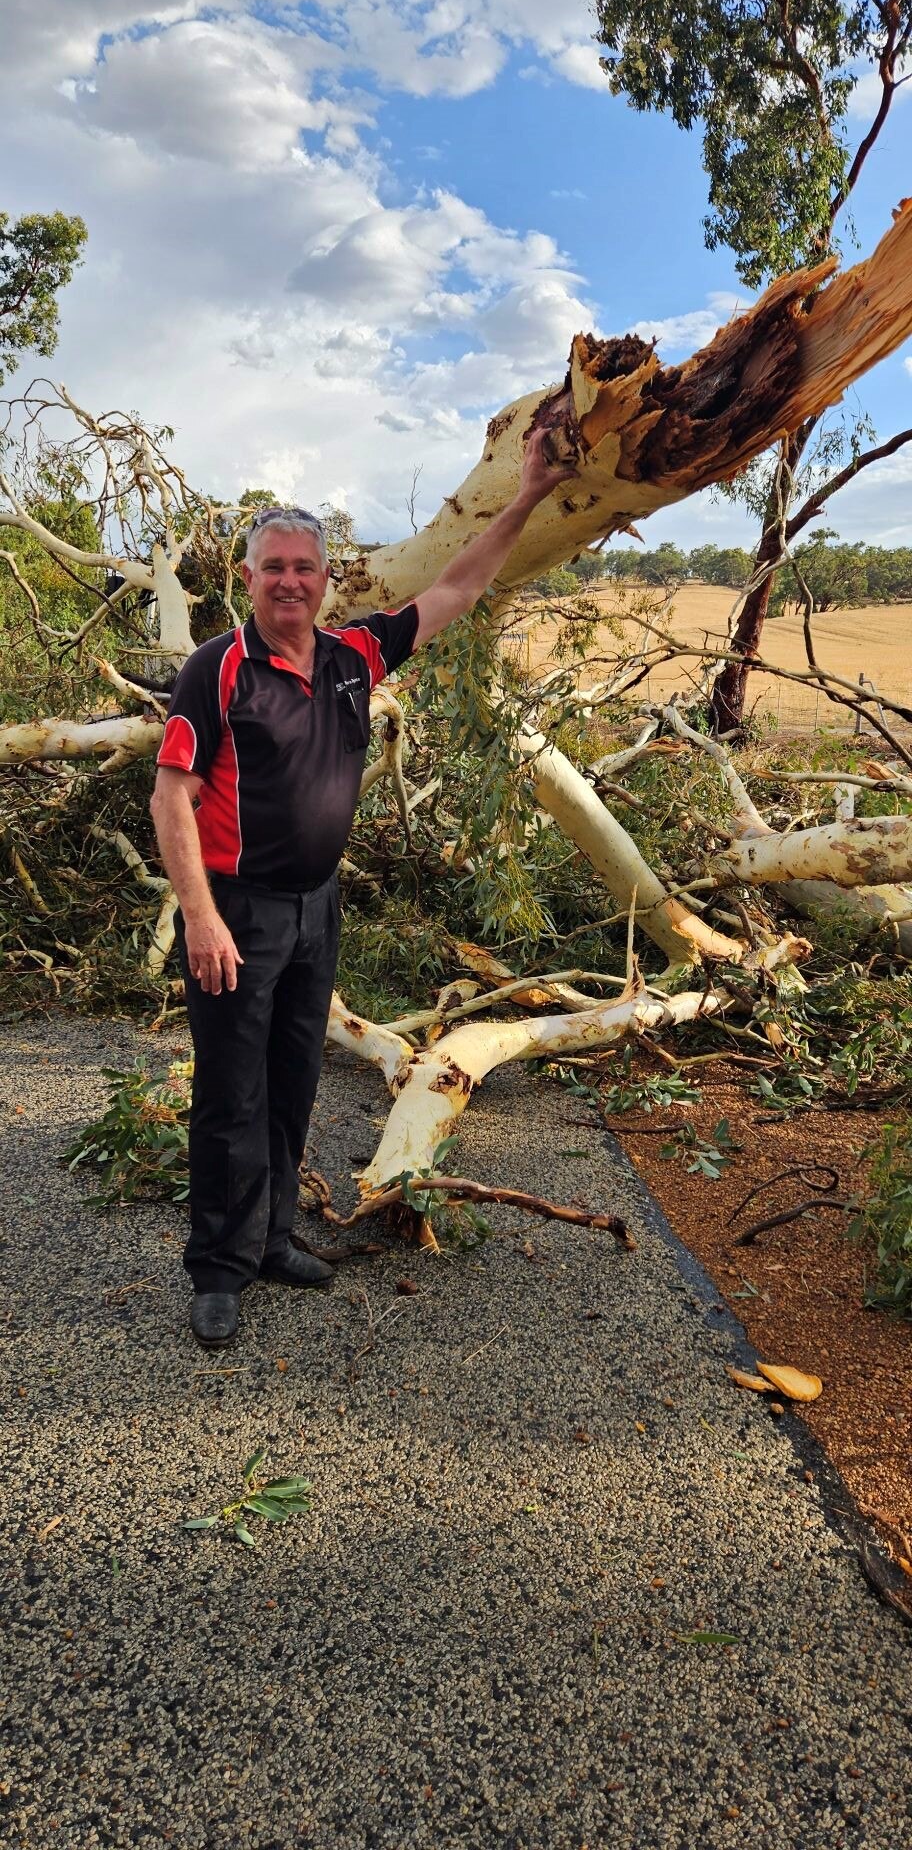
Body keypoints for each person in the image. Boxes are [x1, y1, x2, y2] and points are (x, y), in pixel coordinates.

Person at [151, 426, 575, 1345]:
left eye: (306, 567)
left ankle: (269, 1241)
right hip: (236, 913)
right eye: (274, 568)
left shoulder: (353, 660)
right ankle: (218, 1268)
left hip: (316, 911)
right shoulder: (216, 671)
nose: (291, 582)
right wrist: (199, 918)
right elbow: (171, 798)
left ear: (326, 577)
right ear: (249, 576)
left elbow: (457, 586)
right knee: (231, 1091)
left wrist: (530, 494)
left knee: (293, 1079)